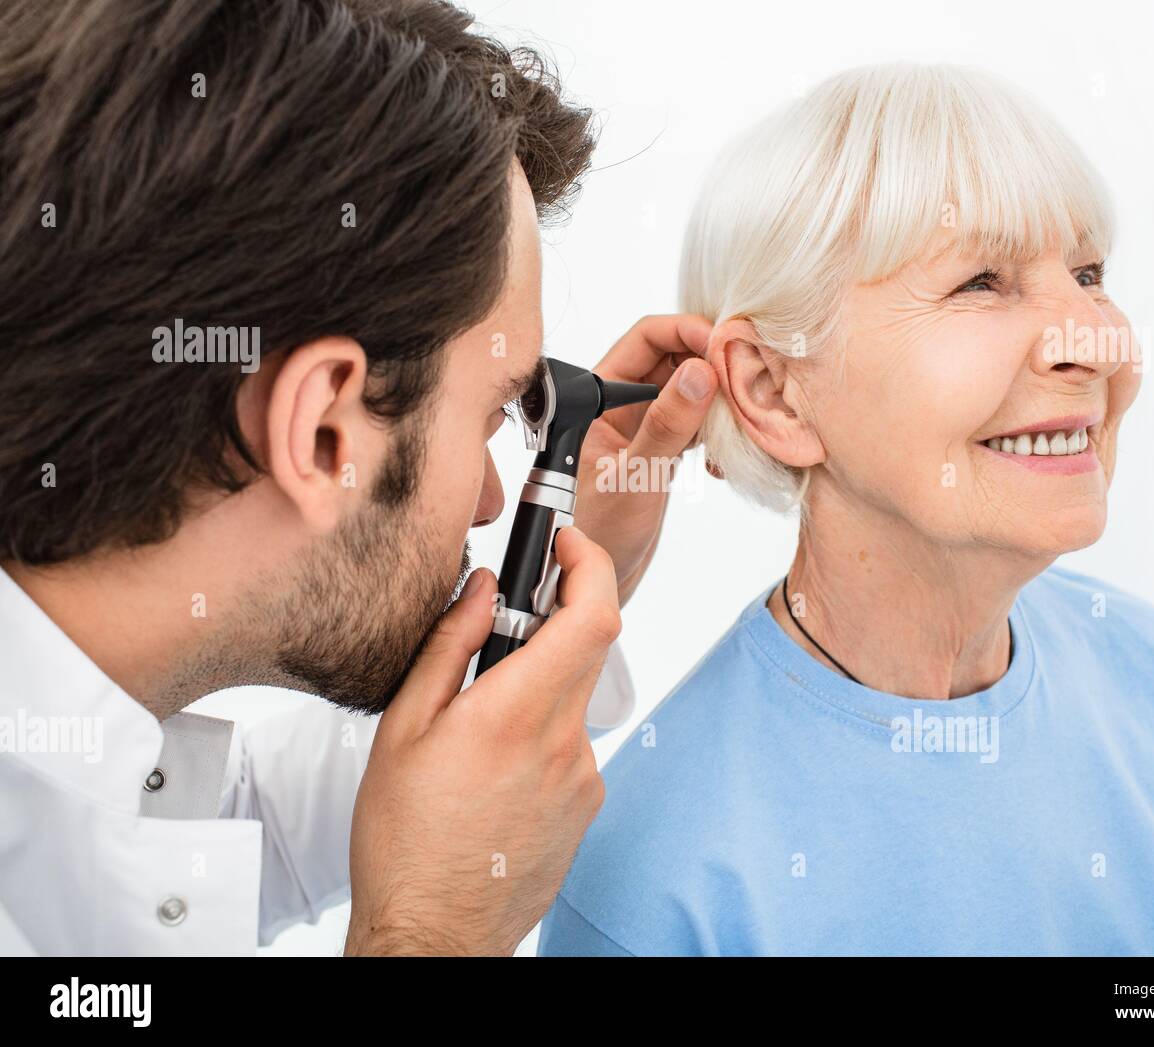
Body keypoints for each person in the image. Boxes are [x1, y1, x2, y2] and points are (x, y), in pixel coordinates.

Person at [0, 0, 718, 956]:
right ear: (324, 430)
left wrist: (548, 610)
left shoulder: (72, 761)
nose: (496, 502)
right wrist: (430, 937)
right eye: (496, 411)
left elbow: (226, 834)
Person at [539, 63, 1154, 956]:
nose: (1100, 341)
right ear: (775, 391)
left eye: (1089, 270)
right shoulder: (651, 879)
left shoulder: (1153, 676)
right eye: (983, 281)